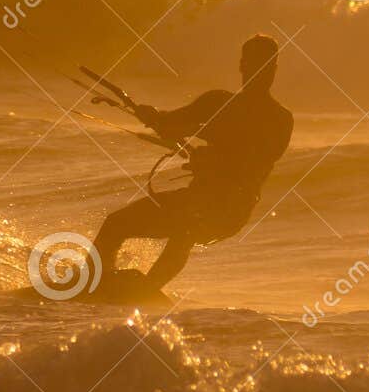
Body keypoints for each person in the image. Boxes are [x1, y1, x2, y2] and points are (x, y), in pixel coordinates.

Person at [93, 34, 293, 290]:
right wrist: (153, 116)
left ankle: (147, 290)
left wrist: (208, 153)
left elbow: (255, 163)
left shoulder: (279, 119)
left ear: (274, 70)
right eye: (254, 63)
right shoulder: (216, 102)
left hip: (231, 209)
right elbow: (169, 124)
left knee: (185, 229)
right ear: (242, 65)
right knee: (115, 224)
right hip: (196, 197)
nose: (260, 71)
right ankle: (98, 284)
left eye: (266, 65)